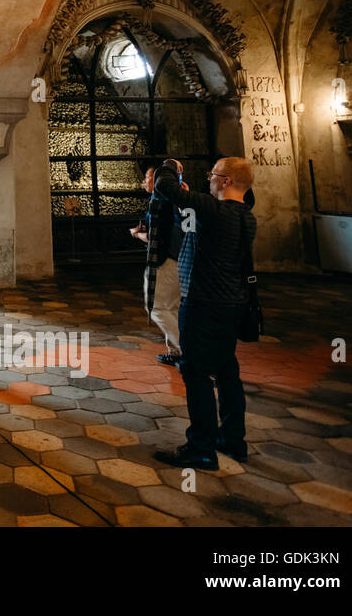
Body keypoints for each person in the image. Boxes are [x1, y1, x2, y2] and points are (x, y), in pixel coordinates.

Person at [151, 156, 257, 471]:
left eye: (212, 174)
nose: (209, 178)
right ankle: (233, 440)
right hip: (232, 306)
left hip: (203, 305)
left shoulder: (214, 211)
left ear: (225, 181)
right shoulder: (245, 216)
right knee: (226, 371)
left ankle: (201, 447)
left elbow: (164, 186)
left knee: (195, 372)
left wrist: (170, 165)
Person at [131, 165, 185, 366]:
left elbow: (161, 237)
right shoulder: (168, 201)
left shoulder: (163, 203)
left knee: (158, 309)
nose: (145, 180)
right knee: (172, 307)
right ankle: (175, 351)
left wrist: (138, 234)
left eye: (148, 176)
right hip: (176, 259)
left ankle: (186, 350)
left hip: (166, 261)